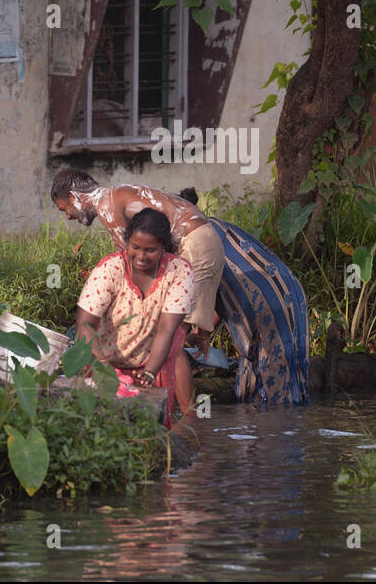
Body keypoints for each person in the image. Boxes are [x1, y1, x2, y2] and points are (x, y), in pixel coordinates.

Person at [52, 169, 224, 354]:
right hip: (205, 239)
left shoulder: (106, 204)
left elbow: (128, 263)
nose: (68, 216)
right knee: (176, 329)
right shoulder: (114, 195)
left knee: (172, 334)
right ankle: (193, 361)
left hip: (194, 244)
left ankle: (164, 375)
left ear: (73, 198)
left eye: (64, 210)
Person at [177, 188, 309, 406]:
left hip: (270, 306)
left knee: (277, 393)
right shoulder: (210, 228)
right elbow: (214, 299)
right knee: (254, 390)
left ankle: (280, 434)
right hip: (282, 297)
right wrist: (195, 337)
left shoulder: (195, 243)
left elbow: (199, 299)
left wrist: (175, 344)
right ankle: (263, 435)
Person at [73, 208, 195, 421]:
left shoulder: (178, 270)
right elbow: (85, 324)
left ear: (163, 248)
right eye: (135, 247)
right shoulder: (110, 269)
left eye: (150, 250)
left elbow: (167, 329)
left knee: (152, 431)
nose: (141, 257)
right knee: (103, 426)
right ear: (127, 242)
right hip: (104, 360)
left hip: (152, 359)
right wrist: (103, 367)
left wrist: (149, 373)